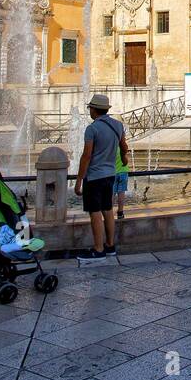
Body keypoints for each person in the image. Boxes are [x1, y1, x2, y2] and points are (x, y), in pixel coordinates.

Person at [74, 93, 125, 262]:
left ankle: (98, 249)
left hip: (94, 176)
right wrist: (124, 158)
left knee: (95, 212)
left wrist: (79, 179)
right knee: (108, 210)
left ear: (94, 110)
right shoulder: (118, 125)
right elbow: (124, 146)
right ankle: (110, 246)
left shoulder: (92, 129)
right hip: (110, 174)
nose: (89, 111)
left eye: (90, 108)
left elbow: (86, 156)